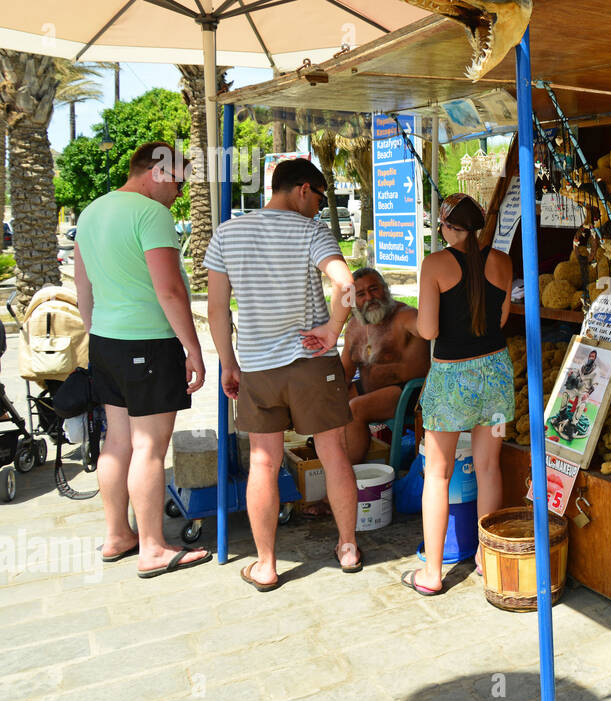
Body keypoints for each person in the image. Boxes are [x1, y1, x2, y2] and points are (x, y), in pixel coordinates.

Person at [205, 158, 360, 591]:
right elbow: (346, 286)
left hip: (257, 368)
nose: (320, 208)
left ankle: (268, 564)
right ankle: (347, 548)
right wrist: (332, 331)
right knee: (334, 454)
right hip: (313, 365)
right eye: (320, 198)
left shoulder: (227, 234)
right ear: (303, 190)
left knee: (263, 462)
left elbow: (217, 309)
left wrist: (228, 362)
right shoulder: (311, 232)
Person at [73, 141, 210, 578]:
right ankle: (152, 547)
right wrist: (193, 348)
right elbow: (169, 290)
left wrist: (99, 331)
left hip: (107, 342)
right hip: (148, 343)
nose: (179, 193)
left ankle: (118, 535)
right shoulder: (152, 215)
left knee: (117, 442)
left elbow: (83, 286)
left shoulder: (91, 211)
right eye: (177, 182)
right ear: (157, 172)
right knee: (149, 447)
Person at [402, 193, 512, 595]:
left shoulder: (435, 264)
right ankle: (487, 558)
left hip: (451, 379)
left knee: (438, 472)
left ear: (449, 227)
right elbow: (500, 318)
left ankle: (432, 574)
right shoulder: (502, 260)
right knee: (488, 468)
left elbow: (429, 331)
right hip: (496, 375)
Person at [335, 267, 430, 476]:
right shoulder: (354, 327)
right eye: (361, 294)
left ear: (385, 289)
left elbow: (425, 328)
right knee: (329, 404)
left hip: (410, 393)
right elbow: (344, 374)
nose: (369, 297)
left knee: (355, 409)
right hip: (371, 390)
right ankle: (329, 470)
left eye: (373, 289)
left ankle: (345, 480)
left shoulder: (404, 316)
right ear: (353, 300)